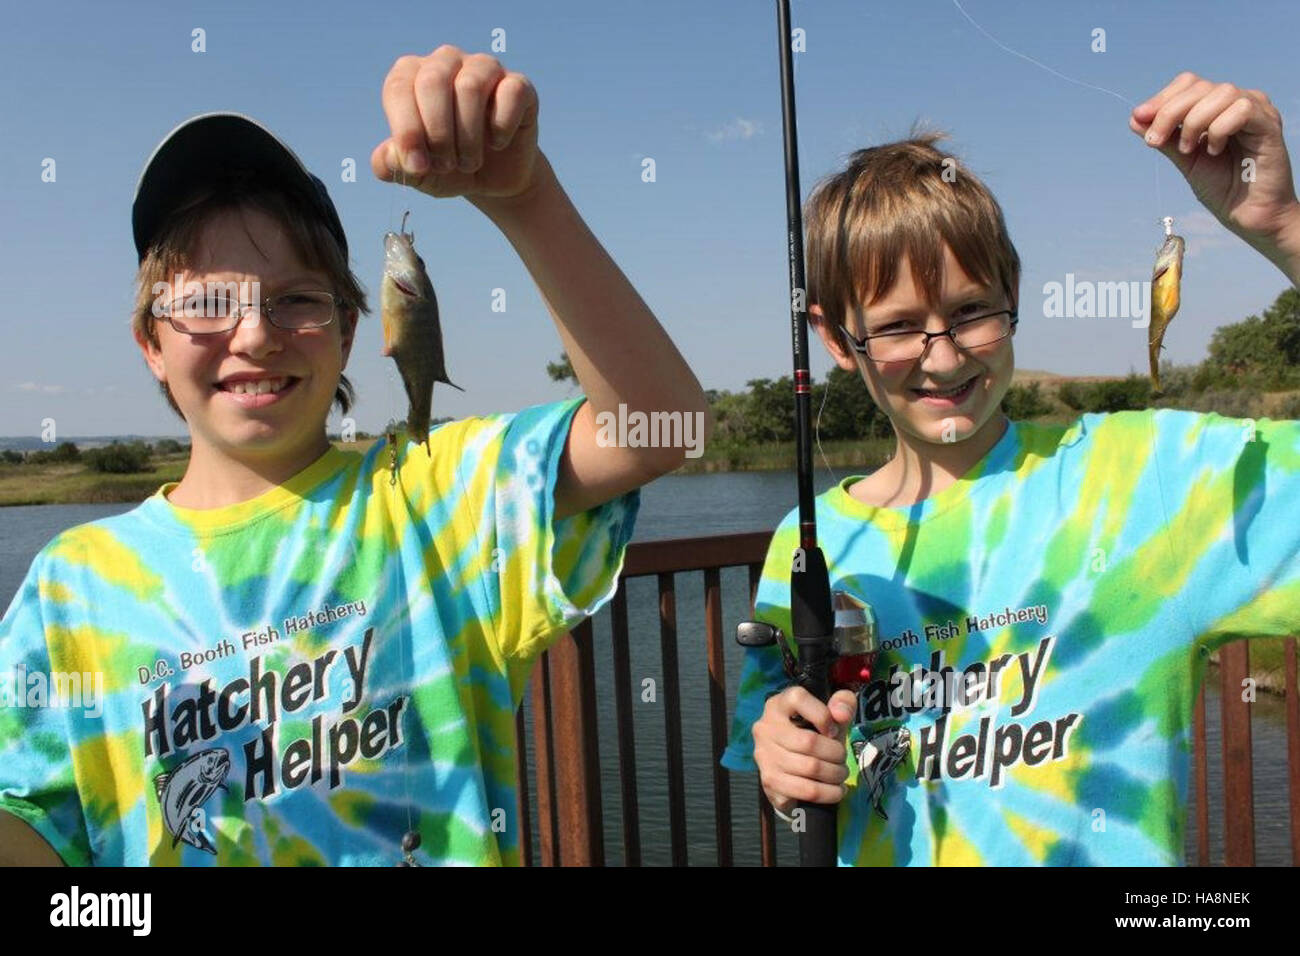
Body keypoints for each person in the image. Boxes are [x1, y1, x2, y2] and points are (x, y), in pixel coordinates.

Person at [0, 46, 711, 866]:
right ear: (150, 344)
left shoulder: (431, 496)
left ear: (351, 334)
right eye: (205, 304)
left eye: (297, 299)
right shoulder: (72, 588)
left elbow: (665, 428)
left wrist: (526, 197)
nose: (256, 333)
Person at [723, 73, 1300, 866]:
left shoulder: (1149, 479)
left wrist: (1283, 228)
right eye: (896, 327)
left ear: (1014, 292)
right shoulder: (807, 541)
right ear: (833, 338)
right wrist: (784, 774)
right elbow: (785, 777)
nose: (945, 356)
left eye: (970, 311)